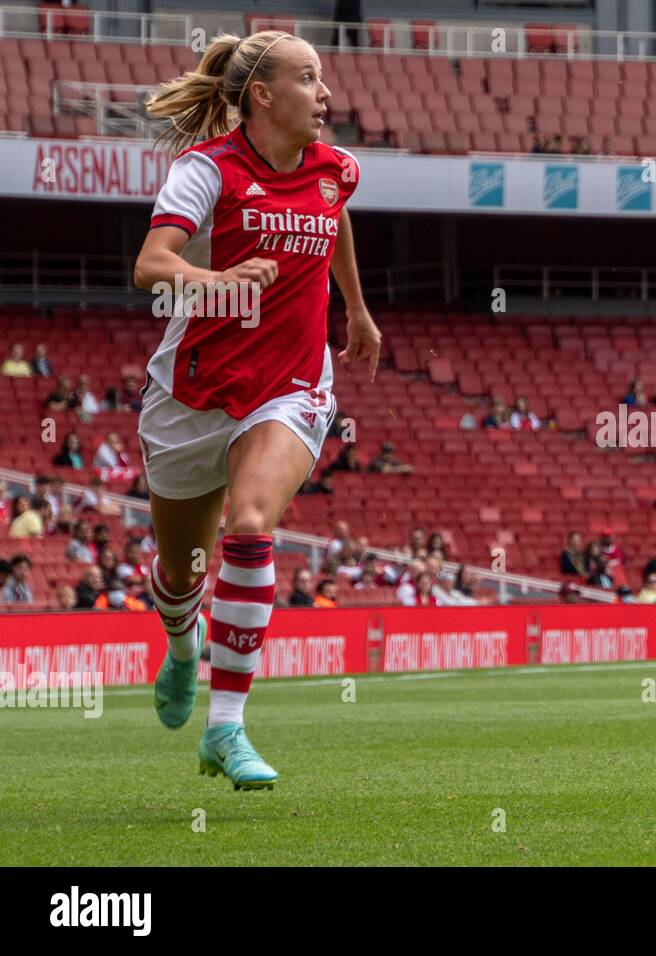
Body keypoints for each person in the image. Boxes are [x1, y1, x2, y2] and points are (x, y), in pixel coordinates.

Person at [133, 29, 379, 790]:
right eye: (309, 78)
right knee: (181, 577)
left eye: (324, 77)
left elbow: (330, 213)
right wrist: (220, 279)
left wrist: (357, 311)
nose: (326, 92)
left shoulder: (337, 169)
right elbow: (151, 268)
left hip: (292, 385)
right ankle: (181, 645)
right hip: (191, 394)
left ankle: (226, 729)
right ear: (264, 96)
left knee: (249, 524)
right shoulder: (205, 171)